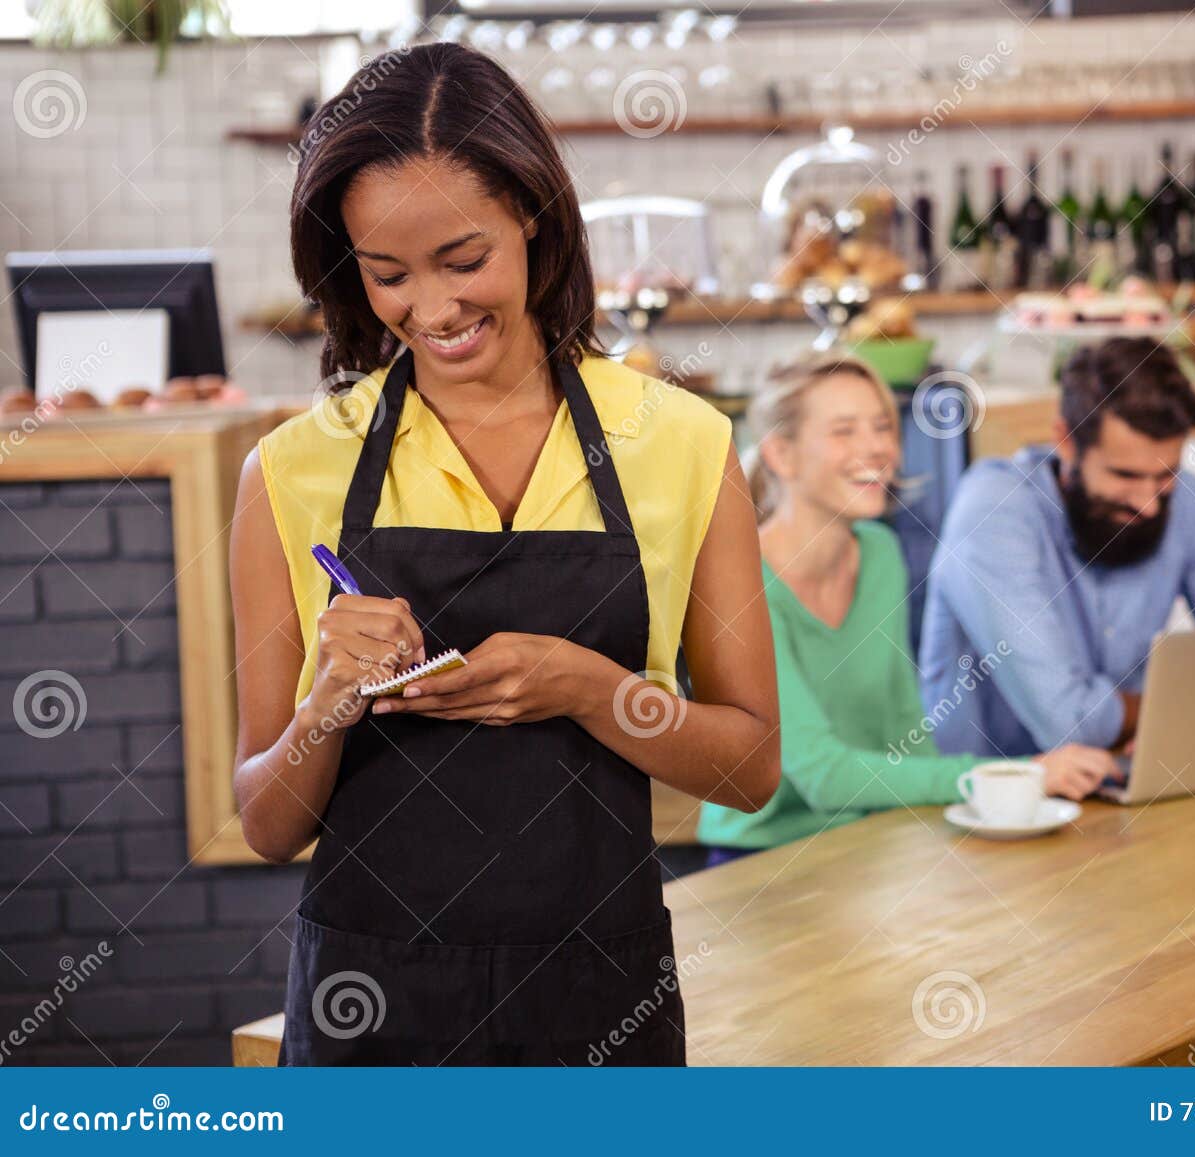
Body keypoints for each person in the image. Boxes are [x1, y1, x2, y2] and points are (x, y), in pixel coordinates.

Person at [229, 43, 779, 1066]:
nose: (431, 311)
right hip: (371, 1012)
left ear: (533, 215)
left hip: (598, 1002)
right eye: (387, 275)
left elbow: (750, 768)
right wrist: (328, 704)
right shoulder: (293, 470)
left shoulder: (682, 444)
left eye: (463, 260)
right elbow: (266, 820)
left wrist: (585, 686)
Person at [697, 356, 1116, 857]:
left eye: (882, 427)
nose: (877, 448)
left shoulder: (879, 554)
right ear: (782, 456)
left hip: (865, 839)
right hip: (760, 861)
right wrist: (1011, 776)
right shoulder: (740, 582)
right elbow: (823, 777)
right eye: (844, 431)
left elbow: (903, 728)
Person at [920, 337, 1195, 764]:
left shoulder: (1186, 501)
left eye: (1165, 476)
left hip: (1117, 791)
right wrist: (1187, 708)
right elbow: (1069, 724)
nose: (1148, 502)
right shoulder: (993, 511)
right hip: (989, 808)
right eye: (1124, 474)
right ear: (1065, 442)